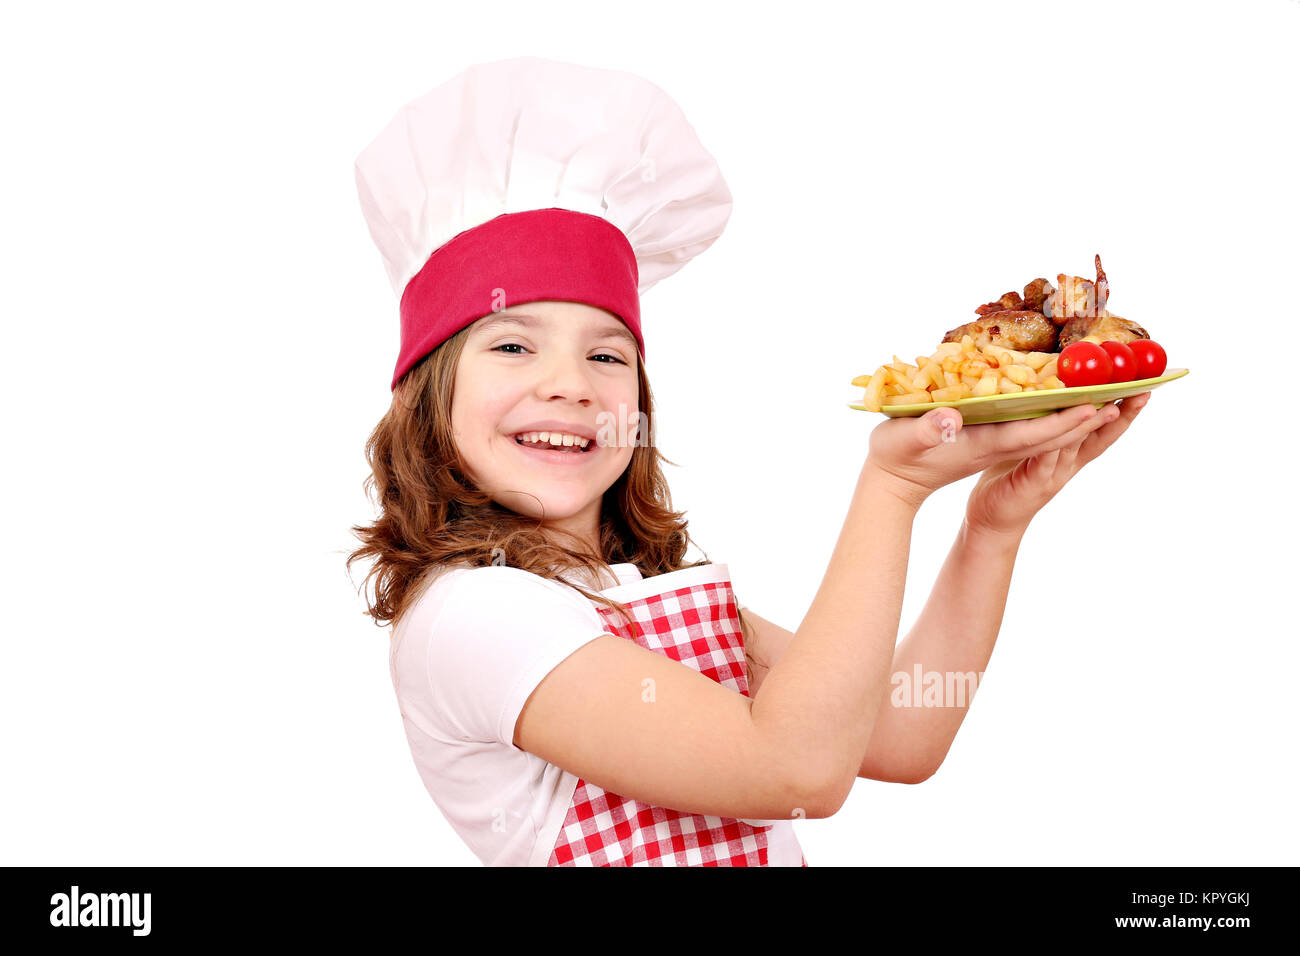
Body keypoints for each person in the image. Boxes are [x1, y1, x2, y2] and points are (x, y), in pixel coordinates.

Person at [347, 57, 1151, 867]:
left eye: (607, 355)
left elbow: (904, 731)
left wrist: (991, 525)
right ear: (429, 395)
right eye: (514, 345)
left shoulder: (635, 601)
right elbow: (795, 769)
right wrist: (894, 486)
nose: (570, 386)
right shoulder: (471, 618)